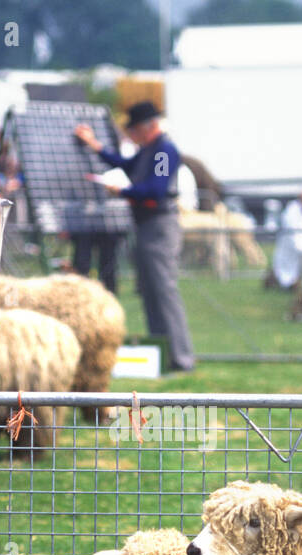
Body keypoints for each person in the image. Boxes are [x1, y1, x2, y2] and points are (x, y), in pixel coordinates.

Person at [75, 102, 193, 372]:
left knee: (164, 291)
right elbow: (124, 164)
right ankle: (164, 354)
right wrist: (95, 145)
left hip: (159, 225)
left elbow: (157, 189)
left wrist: (123, 192)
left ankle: (181, 357)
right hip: (146, 224)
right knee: (151, 292)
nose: (133, 135)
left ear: (149, 127)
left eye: (136, 129)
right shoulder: (148, 151)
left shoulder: (164, 151)